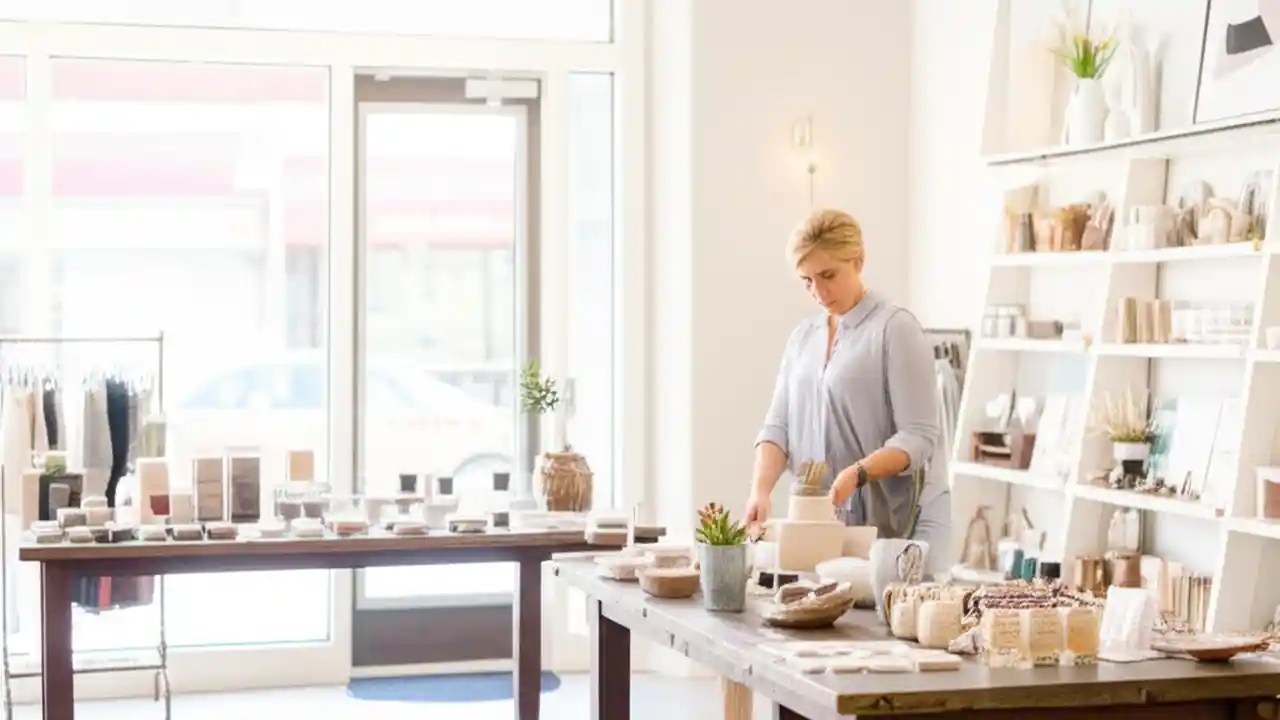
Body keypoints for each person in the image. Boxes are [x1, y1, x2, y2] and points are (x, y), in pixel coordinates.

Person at [744, 208, 950, 577]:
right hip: (820, 532)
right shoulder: (803, 338)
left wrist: (858, 473)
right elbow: (777, 427)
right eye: (806, 280)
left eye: (828, 275)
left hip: (888, 532)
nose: (819, 292)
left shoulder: (895, 329)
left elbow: (920, 438)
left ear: (858, 261)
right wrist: (760, 490)